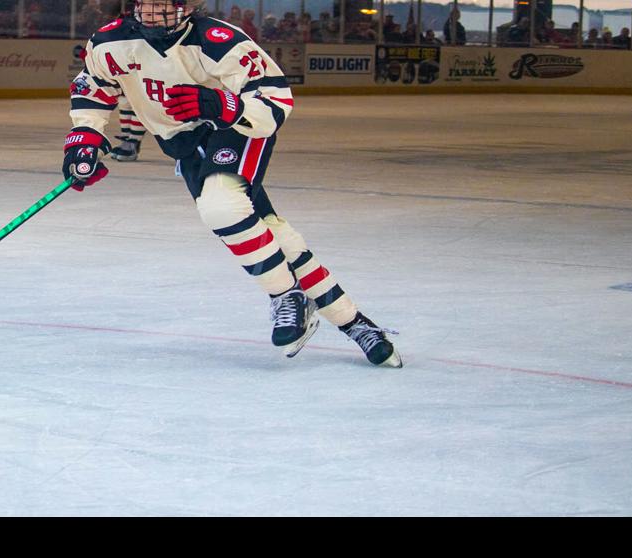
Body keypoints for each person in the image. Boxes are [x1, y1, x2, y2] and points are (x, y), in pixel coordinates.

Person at [63, 0, 402, 367]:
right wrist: (84, 137)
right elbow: (93, 88)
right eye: (145, 4)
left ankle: (286, 296)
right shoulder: (109, 42)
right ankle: (356, 324)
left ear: (186, 7)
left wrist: (220, 104)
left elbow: (274, 99)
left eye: (162, 6)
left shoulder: (219, 40)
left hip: (237, 128)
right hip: (186, 143)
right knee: (271, 232)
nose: (151, 13)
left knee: (222, 207)